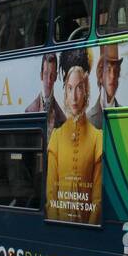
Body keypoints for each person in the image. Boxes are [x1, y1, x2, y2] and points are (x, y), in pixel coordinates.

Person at [45, 49, 103, 226]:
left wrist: (89, 228)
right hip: (59, 229)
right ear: (65, 93)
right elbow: (50, 194)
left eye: (79, 88)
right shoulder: (56, 137)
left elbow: (97, 199)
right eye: (70, 89)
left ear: (86, 92)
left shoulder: (97, 138)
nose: (74, 96)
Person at [24, 53, 66, 135]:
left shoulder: (62, 119)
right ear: (41, 75)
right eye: (46, 74)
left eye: (52, 75)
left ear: (56, 77)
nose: (49, 81)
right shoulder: (29, 111)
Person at [88, 44, 123, 130]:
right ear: (100, 76)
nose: (112, 76)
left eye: (116, 71)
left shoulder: (125, 116)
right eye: (108, 70)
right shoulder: (88, 119)